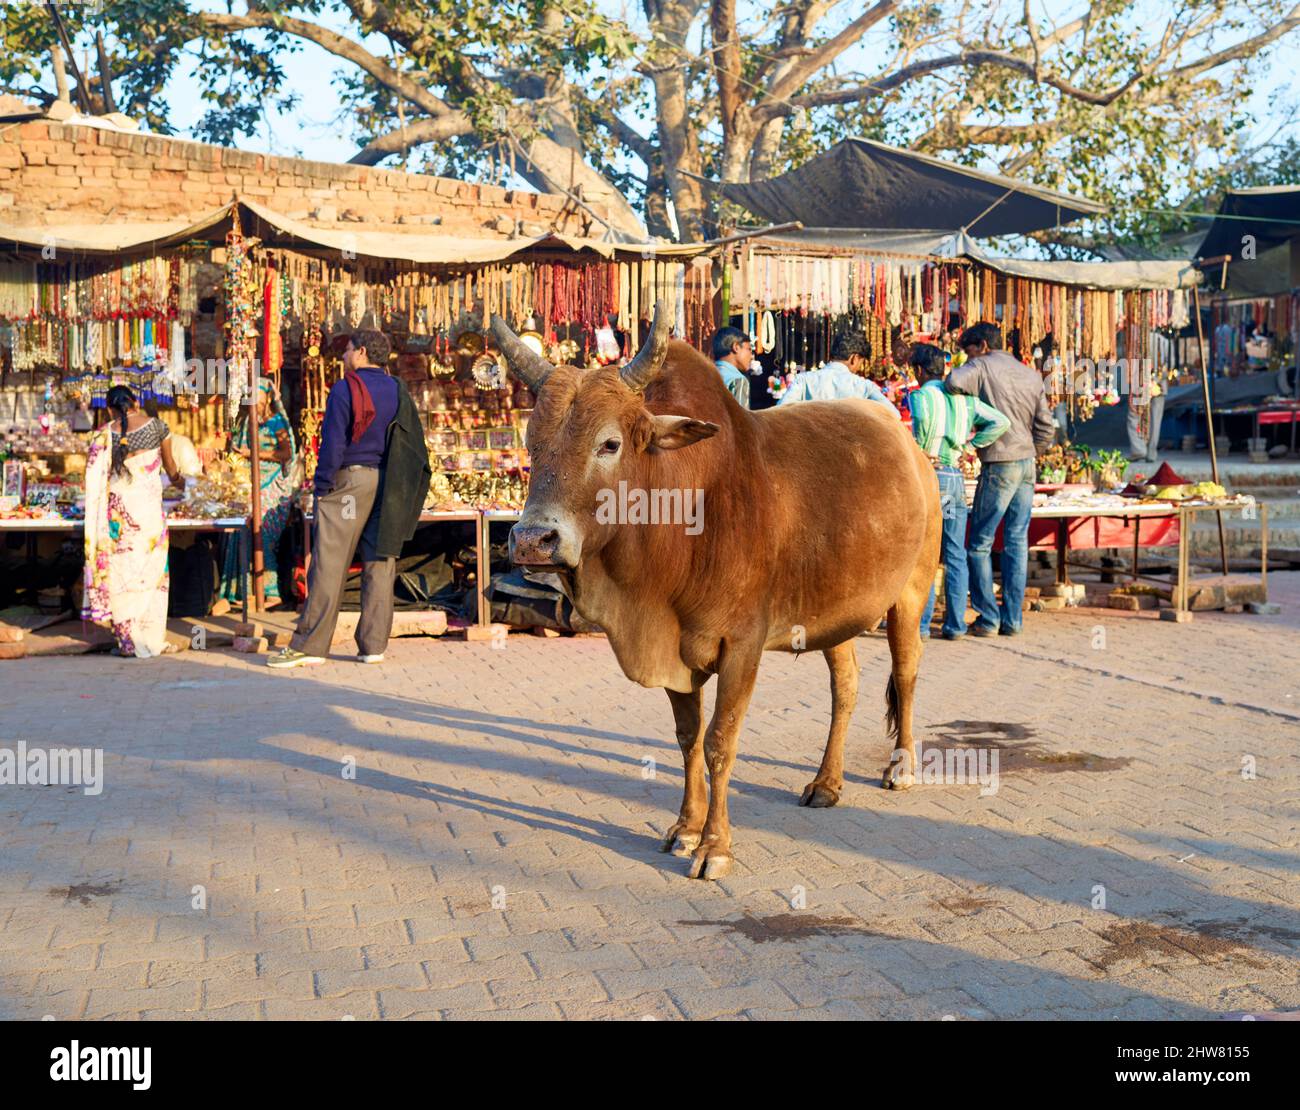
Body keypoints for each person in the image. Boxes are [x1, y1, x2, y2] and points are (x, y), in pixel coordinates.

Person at [269, 330, 431, 669]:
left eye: (347, 351)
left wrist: (323, 485)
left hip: (350, 481)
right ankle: (373, 645)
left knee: (329, 562)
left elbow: (332, 443)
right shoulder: (397, 389)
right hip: (387, 484)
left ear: (360, 353)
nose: (343, 357)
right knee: (379, 559)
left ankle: (311, 645)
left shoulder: (346, 388)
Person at [946, 322, 1055, 637]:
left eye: (968, 352)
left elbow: (953, 381)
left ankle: (989, 618)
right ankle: (1013, 620)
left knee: (979, 544)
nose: (967, 359)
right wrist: (1030, 451)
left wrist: (973, 367)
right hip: (1027, 463)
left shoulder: (980, 365)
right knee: (1016, 543)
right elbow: (1046, 427)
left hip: (999, 463)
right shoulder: (1030, 374)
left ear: (980, 345)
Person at [908, 344, 1010, 640]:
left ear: (918, 371)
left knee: (925, 553)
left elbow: (922, 431)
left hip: (929, 477)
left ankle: (922, 625)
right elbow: (1000, 422)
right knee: (955, 551)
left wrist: (921, 450)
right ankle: (955, 625)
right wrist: (967, 447)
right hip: (952, 477)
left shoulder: (921, 396)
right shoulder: (965, 400)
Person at [82, 384, 185, 657]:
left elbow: (94, 479)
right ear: (135, 402)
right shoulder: (158, 427)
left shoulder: (103, 436)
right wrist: (183, 482)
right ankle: (150, 638)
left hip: (118, 519)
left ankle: (128, 640)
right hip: (150, 515)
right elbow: (172, 470)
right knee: (151, 572)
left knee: (121, 571)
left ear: (109, 409)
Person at [221, 379, 297, 607]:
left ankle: (271, 593)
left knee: (262, 536)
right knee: (242, 532)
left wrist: (253, 453)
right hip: (249, 484)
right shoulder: (246, 423)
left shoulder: (276, 423)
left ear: (268, 398)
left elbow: (286, 454)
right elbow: (240, 451)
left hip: (272, 486)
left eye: (258, 395)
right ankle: (246, 591)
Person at [777, 333, 899, 416]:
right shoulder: (864, 387)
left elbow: (779, 412)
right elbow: (894, 415)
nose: (858, 367)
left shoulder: (803, 380)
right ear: (854, 359)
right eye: (861, 363)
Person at [1127, 330, 1172, 463]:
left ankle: (1139, 449)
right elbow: (1170, 366)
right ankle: (1151, 452)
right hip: (1159, 386)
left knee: (1134, 416)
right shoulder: (1165, 342)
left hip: (1140, 383)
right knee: (1155, 419)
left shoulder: (1136, 340)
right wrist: (1156, 381)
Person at [711, 326, 752, 407]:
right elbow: (741, 418)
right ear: (736, 347)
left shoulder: (706, 374)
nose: (751, 356)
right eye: (749, 349)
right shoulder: (737, 380)